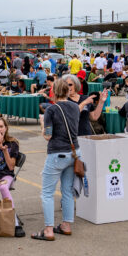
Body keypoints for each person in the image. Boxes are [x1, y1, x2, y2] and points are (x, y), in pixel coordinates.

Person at [34, 77, 78, 241]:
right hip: (73, 152)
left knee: (47, 193)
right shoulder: (74, 107)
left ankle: (49, 229)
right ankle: (66, 224)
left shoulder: (52, 110)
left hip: (57, 153)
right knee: (67, 191)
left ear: (54, 92)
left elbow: (48, 135)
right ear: (67, 91)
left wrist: (42, 124)